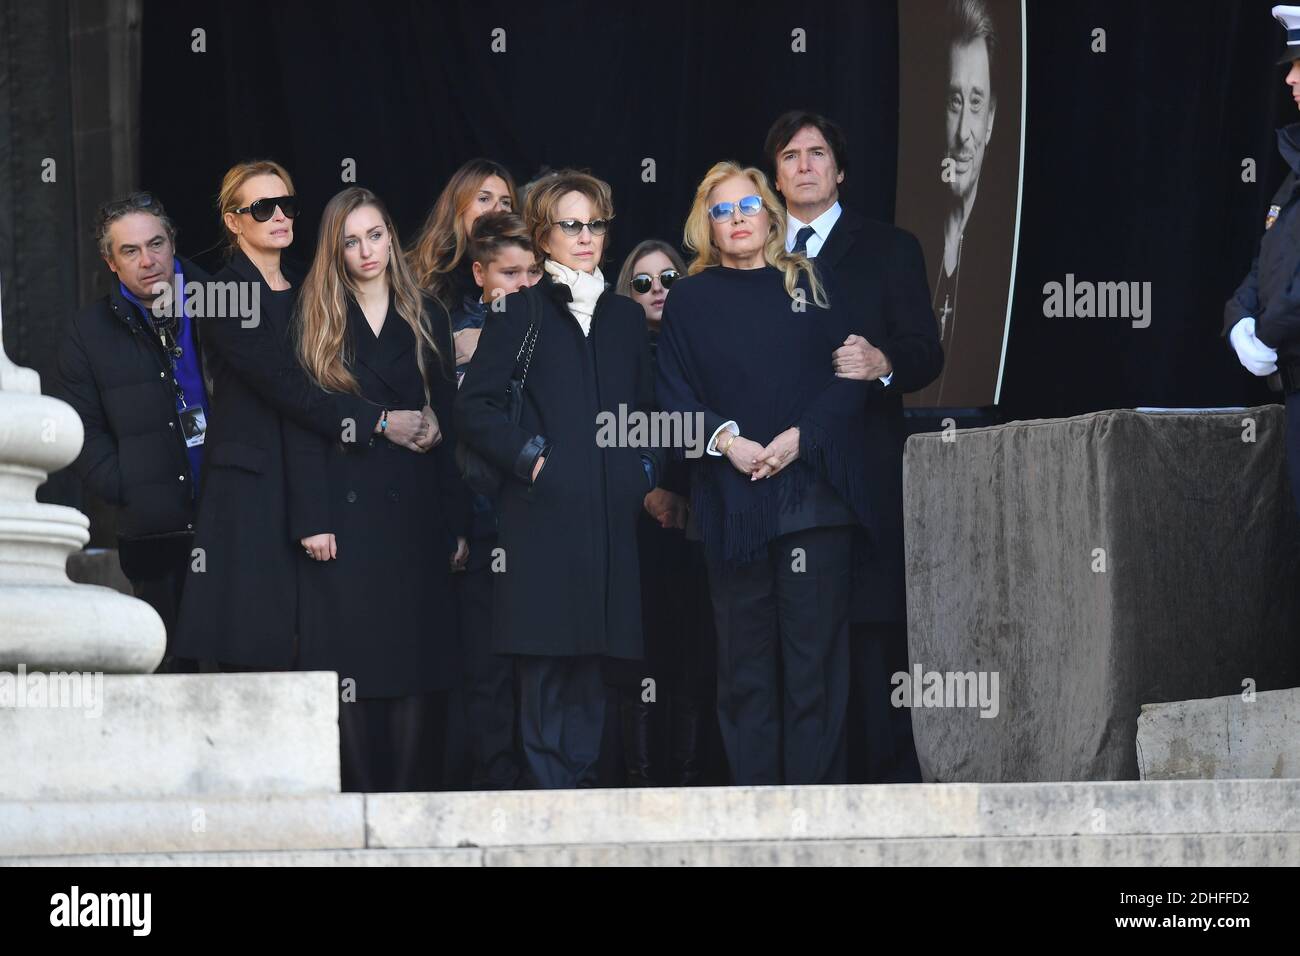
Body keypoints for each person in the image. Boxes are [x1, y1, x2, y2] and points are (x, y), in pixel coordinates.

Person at [656, 161, 875, 786]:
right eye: (721, 211)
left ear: (769, 214)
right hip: (733, 506)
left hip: (813, 502)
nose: (737, 219)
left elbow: (850, 373)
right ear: (707, 224)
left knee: (815, 672)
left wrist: (800, 439)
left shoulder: (810, 280)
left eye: (747, 206)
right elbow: (670, 395)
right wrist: (727, 442)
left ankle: (817, 823)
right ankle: (756, 823)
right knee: (744, 671)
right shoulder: (690, 298)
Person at [174, 160, 436, 671]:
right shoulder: (222, 293)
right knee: (250, 653)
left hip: (319, 482)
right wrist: (380, 421)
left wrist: (430, 407)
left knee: (315, 651)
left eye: (286, 205)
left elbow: (360, 366)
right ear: (233, 221)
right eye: (262, 208)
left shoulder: (308, 286)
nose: (279, 216)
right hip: (252, 493)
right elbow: (291, 388)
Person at [455, 170, 663, 789]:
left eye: (595, 225)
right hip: (541, 519)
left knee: (593, 670)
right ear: (544, 236)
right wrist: (532, 459)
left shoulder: (625, 317)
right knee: (547, 671)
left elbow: (645, 415)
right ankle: (551, 814)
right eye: (572, 225)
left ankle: (583, 816)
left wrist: (637, 474)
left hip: (607, 522)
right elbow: (472, 409)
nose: (586, 237)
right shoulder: (520, 308)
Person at [765, 110, 943, 783]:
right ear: (774, 176)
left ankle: (885, 804)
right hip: (772, 482)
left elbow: (928, 354)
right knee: (782, 657)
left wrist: (884, 363)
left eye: (817, 153)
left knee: (871, 649)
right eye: (790, 156)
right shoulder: (753, 250)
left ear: (839, 170)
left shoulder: (891, 247)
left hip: (863, 483)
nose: (805, 165)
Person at [286, 186, 469, 792]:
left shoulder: (428, 315)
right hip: (346, 507)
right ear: (334, 249)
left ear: (391, 236)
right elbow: (304, 423)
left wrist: (456, 523)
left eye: (375, 234)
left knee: (415, 659)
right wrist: (312, 516)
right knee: (353, 664)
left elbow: (452, 423)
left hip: (415, 509)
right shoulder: (314, 318)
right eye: (350, 240)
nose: (366, 250)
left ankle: (409, 810)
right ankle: (362, 808)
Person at [53, 192, 210, 664]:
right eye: (130, 251)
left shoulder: (222, 300)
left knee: (244, 665)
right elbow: (77, 427)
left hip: (236, 518)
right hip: (154, 533)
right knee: (169, 671)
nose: (148, 261)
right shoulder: (88, 330)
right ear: (110, 262)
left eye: (156, 243)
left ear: (173, 242)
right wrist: (127, 483)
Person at [612, 239, 717, 786]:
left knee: (696, 656)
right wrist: (646, 492)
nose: (657, 290)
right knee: (641, 662)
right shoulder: (613, 353)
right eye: (643, 282)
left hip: (699, 524)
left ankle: (690, 785)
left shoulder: (705, 347)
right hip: (633, 530)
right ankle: (641, 790)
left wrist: (682, 495)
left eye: (669, 279)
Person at [446, 210, 541, 789]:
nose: (523, 284)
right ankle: (496, 781)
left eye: (533, 270)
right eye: (510, 273)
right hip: (480, 522)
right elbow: (444, 436)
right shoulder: (451, 333)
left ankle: (541, 774)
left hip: (541, 521)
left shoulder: (555, 326)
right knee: (485, 664)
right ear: (480, 274)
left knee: (541, 657)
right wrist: (453, 522)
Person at [1226, 4, 1300, 517]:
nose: (1291, 77)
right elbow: (1264, 265)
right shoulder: (1292, 178)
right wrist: (1238, 323)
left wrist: (1268, 333)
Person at [912, 0, 1000, 406]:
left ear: (992, 118)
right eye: (953, 102)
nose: (964, 132)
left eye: (976, 103)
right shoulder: (908, 242)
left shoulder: (1001, 252)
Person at [408, 159, 519, 363]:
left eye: (505, 202)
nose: (497, 210)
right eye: (484, 199)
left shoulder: (524, 272)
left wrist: (488, 340)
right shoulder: (423, 270)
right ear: (459, 206)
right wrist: (450, 347)